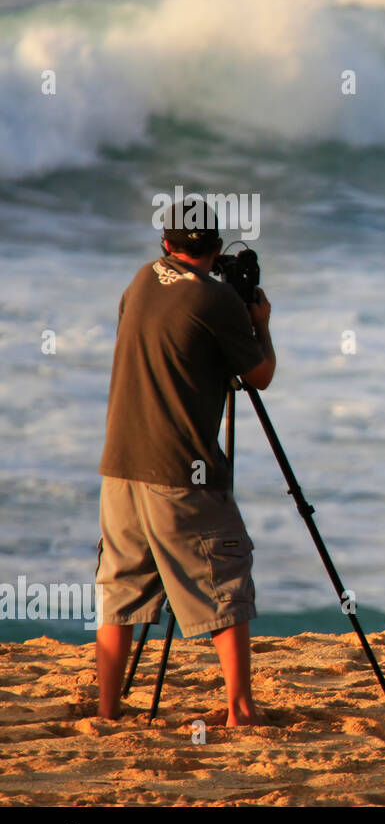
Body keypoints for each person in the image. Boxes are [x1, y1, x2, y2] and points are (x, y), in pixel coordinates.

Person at [95, 197, 275, 726]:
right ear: (216, 249)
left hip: (120, 465)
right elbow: (258, 375)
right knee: (224, 575)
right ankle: (240, 709)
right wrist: (259, 322)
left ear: (167, 246)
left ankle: (108, 709)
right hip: (180, 470)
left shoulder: (141, 280)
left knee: (122, 588)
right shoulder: (215, 297)